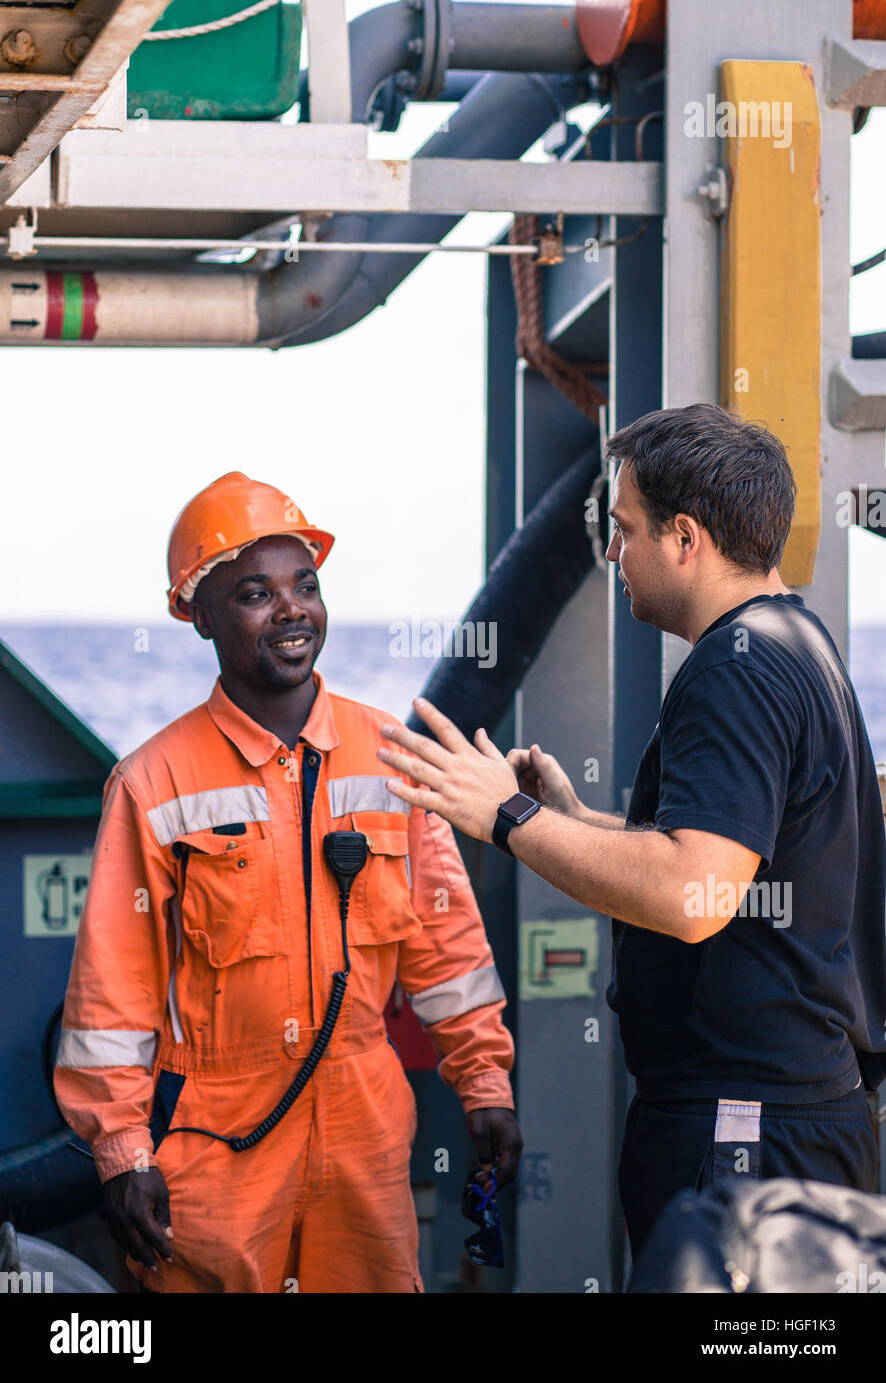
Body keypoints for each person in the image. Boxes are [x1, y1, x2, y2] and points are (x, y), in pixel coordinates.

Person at [376, 403, 886, 1260]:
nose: (613, 553)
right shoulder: (794, 639)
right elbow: (732, 859)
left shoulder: (735, 672)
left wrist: (507, 818)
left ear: (685, 538)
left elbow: (694, 896)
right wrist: (574, 823)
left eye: (625, 528)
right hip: (785, 1120)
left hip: (745, 1135)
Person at [55, 471, 522, 1293]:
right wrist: (123, 1152)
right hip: (216, 1136)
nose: (292, 609)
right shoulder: (152, 783)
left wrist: (483, 1079)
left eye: (305, 586)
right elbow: (112, 991)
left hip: (365, 1126)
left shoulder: (391, 756)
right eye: (255, 594)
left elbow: (447, 945)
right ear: (201, 616)